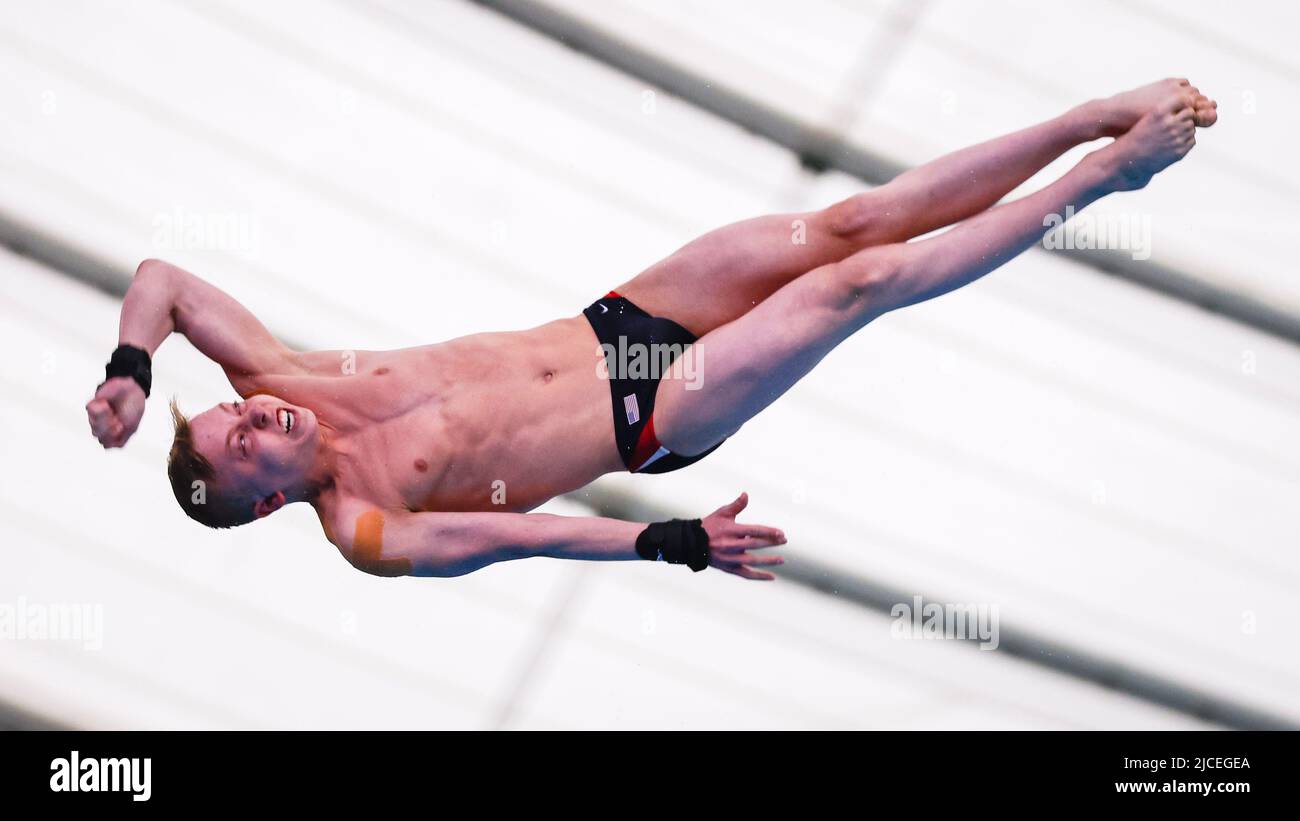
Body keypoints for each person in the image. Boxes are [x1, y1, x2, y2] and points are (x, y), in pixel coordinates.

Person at [86, 79, 1216, 581]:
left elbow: (164, 279)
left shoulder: (278, 371)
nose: (252, 418)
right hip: (651, 414)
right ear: (272, 496)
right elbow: (521, 539)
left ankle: (1088, 116)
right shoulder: (367, 528)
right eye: (248, 450)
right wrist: (664, 541)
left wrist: (131, 368)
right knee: (856, 285)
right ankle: (1108, 177)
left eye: (230, 413)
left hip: (620, 320)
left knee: (849, 221)